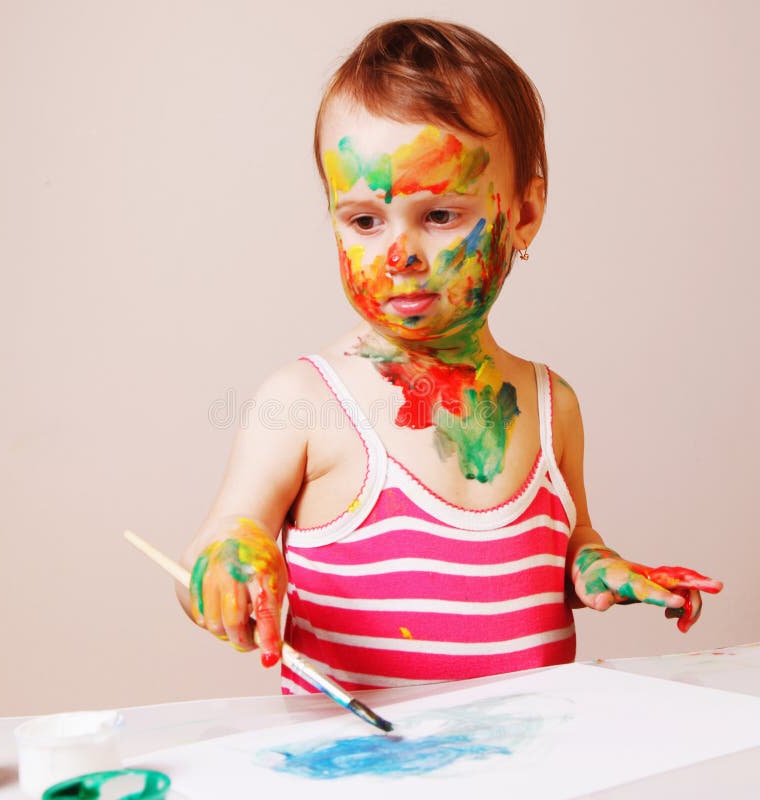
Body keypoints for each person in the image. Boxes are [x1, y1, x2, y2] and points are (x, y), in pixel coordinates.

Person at [176, 19, 722, 693]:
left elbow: (565, 546)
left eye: (440, 217)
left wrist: (601, 568)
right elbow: (224, 534)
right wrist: (231, 566)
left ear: (524, 212)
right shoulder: (305, 403)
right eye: (365, 221)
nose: (399, 256)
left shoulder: (554, 406)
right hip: (359, 771)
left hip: (532, 761)